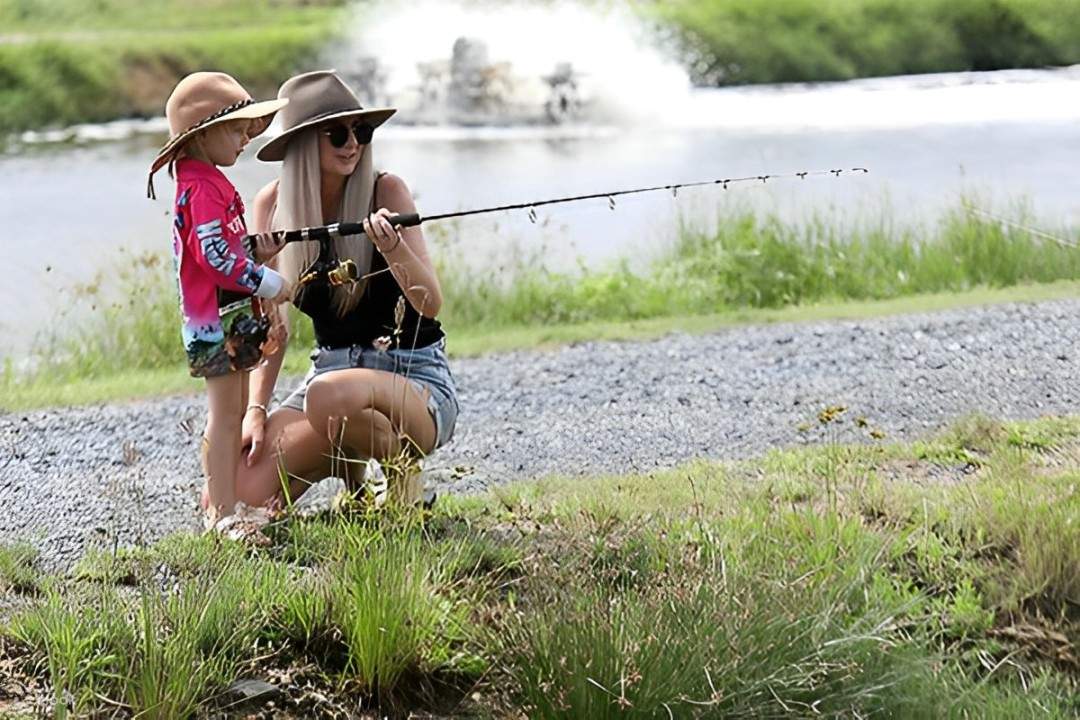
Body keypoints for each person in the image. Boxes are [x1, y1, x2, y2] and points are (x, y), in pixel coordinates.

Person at [226, 70, 458, 508]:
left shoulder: (386, 190)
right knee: (244, 488)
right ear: (302, 143)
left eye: (361, 130)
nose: (353, 143)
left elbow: (430, 303)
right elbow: (273, 331)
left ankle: (403, 476)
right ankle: (349, 473)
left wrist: (393, 251)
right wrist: (256, 409)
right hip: (329, 381)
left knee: (327, 394)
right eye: (336, 133)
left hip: (412, 377)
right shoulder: (272, 206)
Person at [148, 72, 293, 532]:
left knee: (229, 413)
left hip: (226, 316)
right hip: (214, 322)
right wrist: (269, 281)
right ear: (203, 134)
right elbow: (211, 258)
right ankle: (223, 513)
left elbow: (221, 250)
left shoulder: (203, 181)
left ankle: (229, 505)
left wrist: (254, 251)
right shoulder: (203, 187)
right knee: (225, 417)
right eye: (236, 130)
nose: (246, 139)